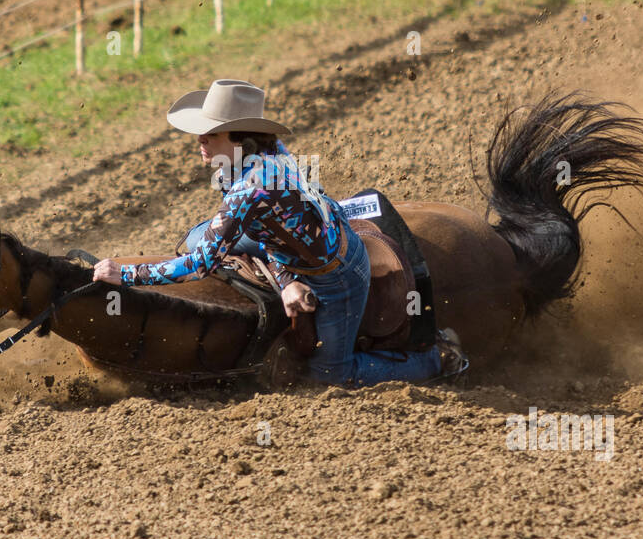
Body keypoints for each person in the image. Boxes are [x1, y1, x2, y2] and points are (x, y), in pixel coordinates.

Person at [91, 79, 467, 388]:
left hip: (335, 275)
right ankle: (284, 282)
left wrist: (126, 274)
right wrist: (286, 278)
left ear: (239, 139)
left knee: (331, 375)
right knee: (198, 237)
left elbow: (200, 266)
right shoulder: (267, 151)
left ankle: (434, 359)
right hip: (299, 239)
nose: (200, 141)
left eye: (210, 134)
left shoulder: (250, 189)